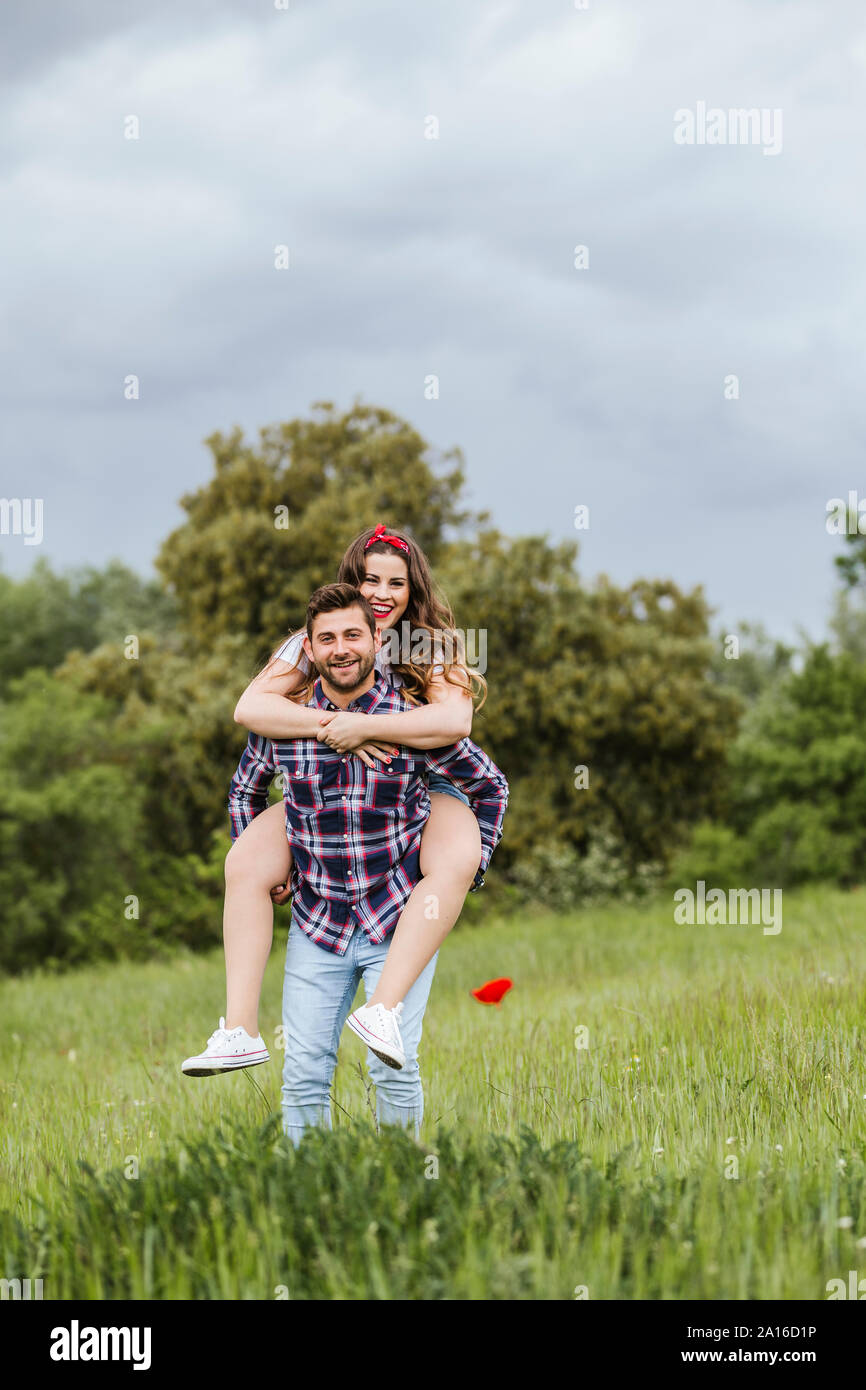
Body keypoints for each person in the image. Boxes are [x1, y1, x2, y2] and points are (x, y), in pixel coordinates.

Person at [182, 523, 496, 1075]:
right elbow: (251, 710)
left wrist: (372, 727)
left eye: (395, 583)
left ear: (413, 589)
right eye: (369, 579)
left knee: (456, 858)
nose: (381, 593)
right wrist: (341, 726)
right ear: (350, 581)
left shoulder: (431, 644)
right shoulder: (322, 638)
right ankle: (239, 1030)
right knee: (244, 862)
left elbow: (455, 720)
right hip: (332, 782)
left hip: (422, 782)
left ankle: (384, 1010)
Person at [221, 582, 508, 1142]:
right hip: (317, 924)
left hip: (397, 919)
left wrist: (465, 871)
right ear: (309, 648)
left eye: (353, 634)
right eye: (326, 639)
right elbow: (243, 792)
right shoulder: (286, 725)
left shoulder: (411, 721)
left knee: (392, 1070)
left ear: (377, 637)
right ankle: (312, 1196)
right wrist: (268, 867)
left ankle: (399, 1190)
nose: (341, 648)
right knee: (303, 1074)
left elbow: (489, 787)